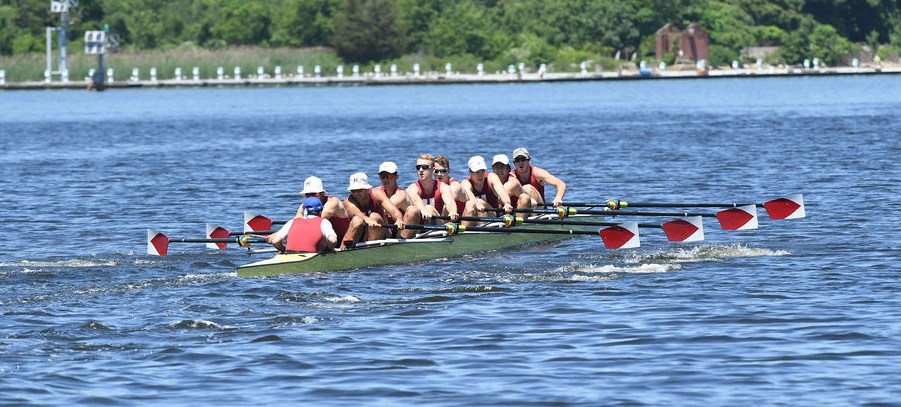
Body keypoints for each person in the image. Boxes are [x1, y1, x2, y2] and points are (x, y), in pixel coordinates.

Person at [343, 172, 407, 244]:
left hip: (382, 233)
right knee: (357, 220)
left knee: (374, 216)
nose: (356, 194)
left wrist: (399, 219)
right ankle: (342, 251)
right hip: (360, 235)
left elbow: (393, 210)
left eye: (359, 190)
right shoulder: (348, 201)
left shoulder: (377, 194)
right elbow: (356, 212)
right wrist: (367, 219)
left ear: (367, 189)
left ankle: (370, 250)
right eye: (353, 191)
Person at [295, 176, 354, 248]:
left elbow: (315, 221)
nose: (310, 197)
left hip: (344, 241)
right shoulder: (305, 204)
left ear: (322, 193)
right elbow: (296, 221)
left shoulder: (333, 202)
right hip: (327, 241)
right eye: (307, 195)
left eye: (313, 194)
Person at [266, 196, 337, 253]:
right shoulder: (324, 222)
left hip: (289, 255)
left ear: (305, 211)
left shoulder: (292, 222)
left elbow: (275, 241)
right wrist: (328, 249)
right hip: (310, 260)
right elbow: (333, 240)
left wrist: (283, 250)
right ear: (321, 211)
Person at [460, 155, 514, 226]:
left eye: (482, 171)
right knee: (471, 204)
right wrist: (476, 203)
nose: (480, 175)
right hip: (474, 215)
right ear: (469, 171)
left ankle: (483, 234)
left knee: (480, 202)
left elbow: (502, 192)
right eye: (477, 172)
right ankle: (464, 234)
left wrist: (507, 203)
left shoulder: (492, 177)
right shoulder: (465, 183)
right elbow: (469, 193)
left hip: (492, 215)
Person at [406, 154, 460, 223]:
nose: (421, 170)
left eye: (425, 167)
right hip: (419, 228)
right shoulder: (412, 188)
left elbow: (450, 202)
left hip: (438, 225)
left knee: (429, 208)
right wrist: (424, 210)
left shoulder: (444, 187)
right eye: (418, 167)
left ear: (433, 169)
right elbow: (416, 200)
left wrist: (453, 211)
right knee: (428, 208)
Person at [376, 161, 420, 238]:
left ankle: (401, 242)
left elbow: (387, 210)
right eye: (382, 176)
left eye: (389, 176)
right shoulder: (377, 191)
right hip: (389, 231)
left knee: (412, 210)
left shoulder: (400, 194)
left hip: (405, 231)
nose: (385, 179)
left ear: (397, 176)